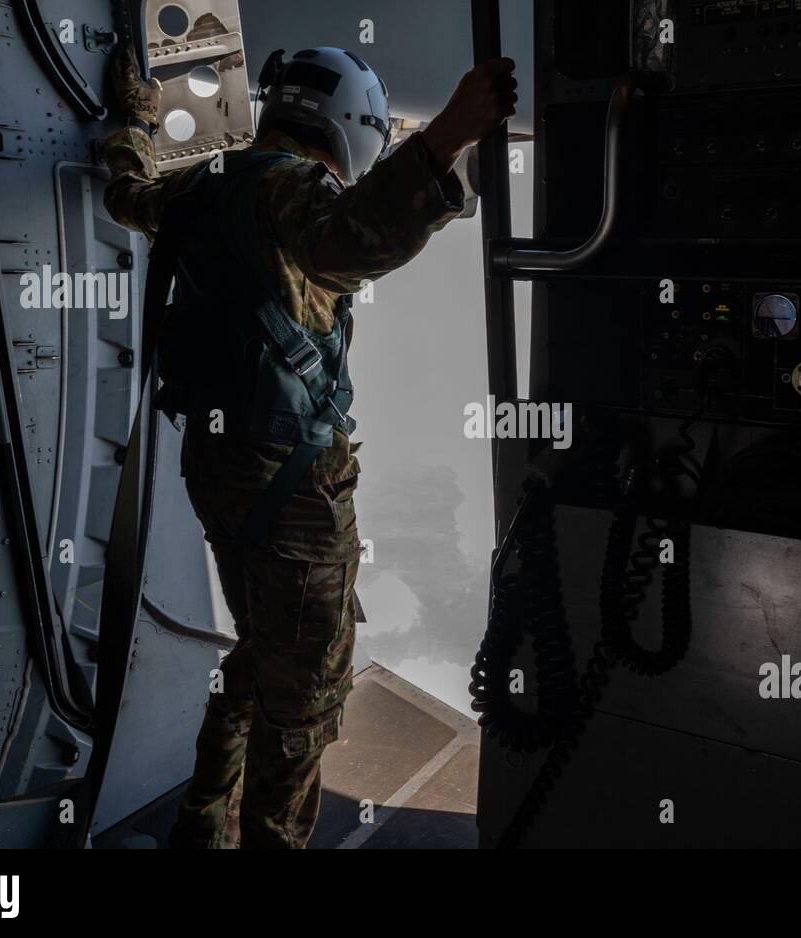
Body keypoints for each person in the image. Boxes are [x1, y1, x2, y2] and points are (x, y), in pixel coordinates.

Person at [102, 43, 516, 848]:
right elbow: (351, 241)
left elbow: (128, 191)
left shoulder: (203, 186)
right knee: (304, 707)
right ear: (349, 125)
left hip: (222, 475)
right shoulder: (294, 190)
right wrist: (446, 138)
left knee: (258, 657)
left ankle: (201, 828)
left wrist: (132, 121)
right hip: (294, 495)